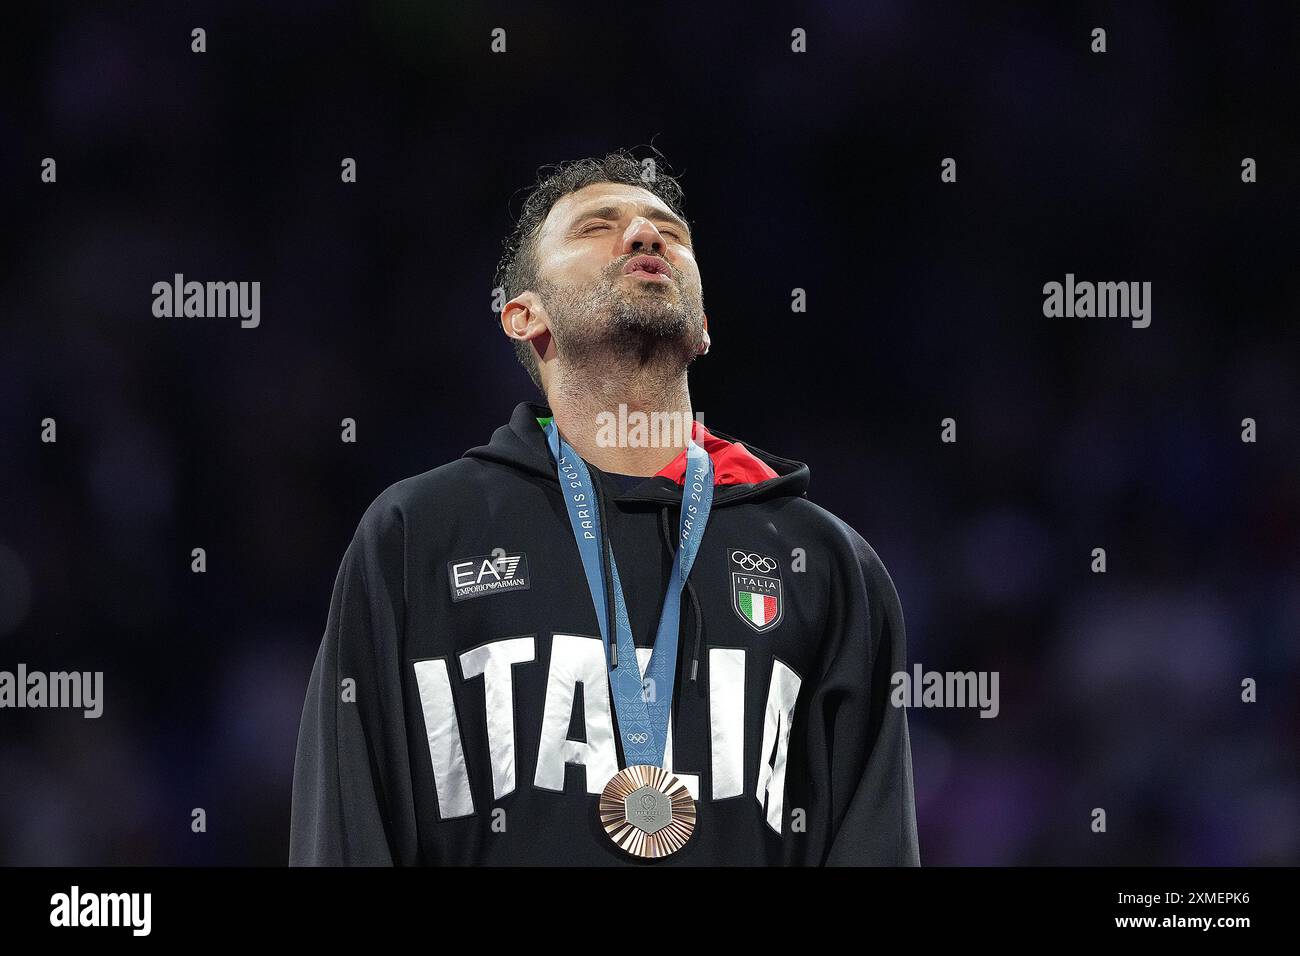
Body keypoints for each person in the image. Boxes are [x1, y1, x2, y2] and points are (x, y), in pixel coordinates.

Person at [289, 148, 920, 865]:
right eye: (597, 226)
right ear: (523, 316)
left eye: (669, 232)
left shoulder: (825, 564)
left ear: (704, 325)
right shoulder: (420, 536)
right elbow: (344, 837)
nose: (645, 237)